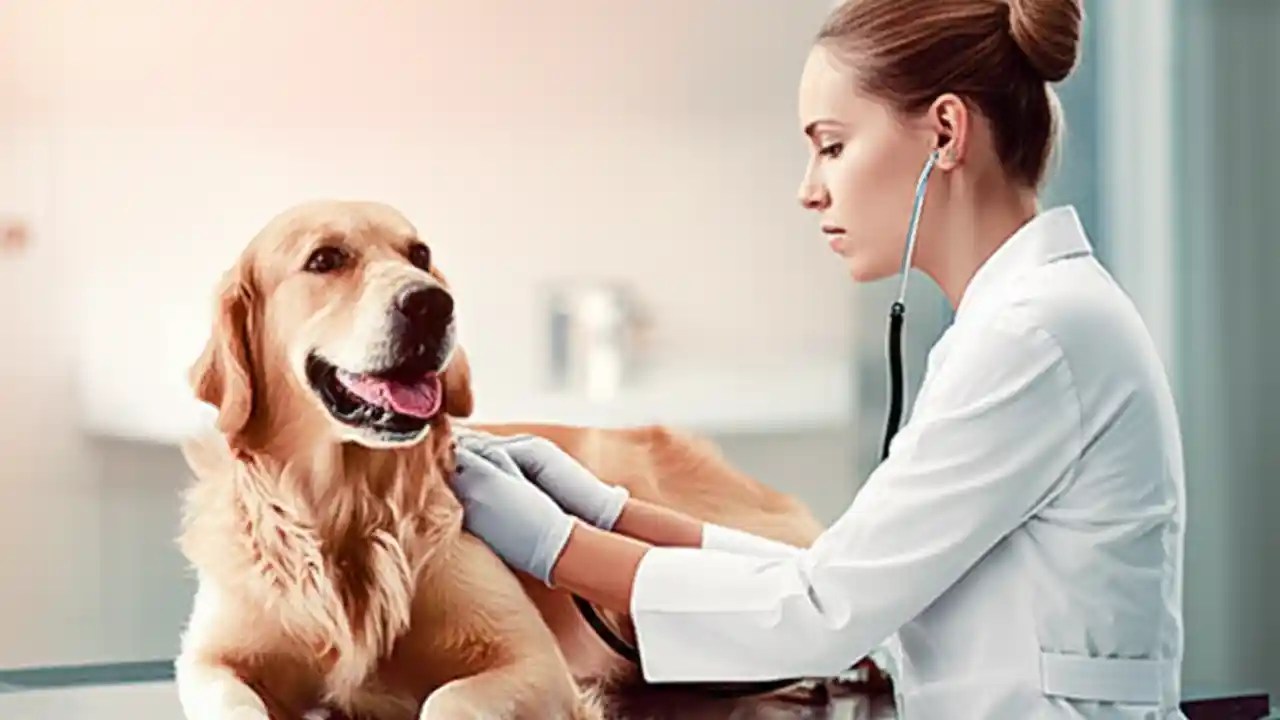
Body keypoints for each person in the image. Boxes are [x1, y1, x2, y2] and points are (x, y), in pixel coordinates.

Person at [451, 0, 1188, 717]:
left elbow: (819, 612)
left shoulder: (1035, 337)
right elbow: (836, 577)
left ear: (945, 133)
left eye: (832, 145)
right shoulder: (1022, 323)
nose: (810, 190)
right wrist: (609, 511)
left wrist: (554, 546)